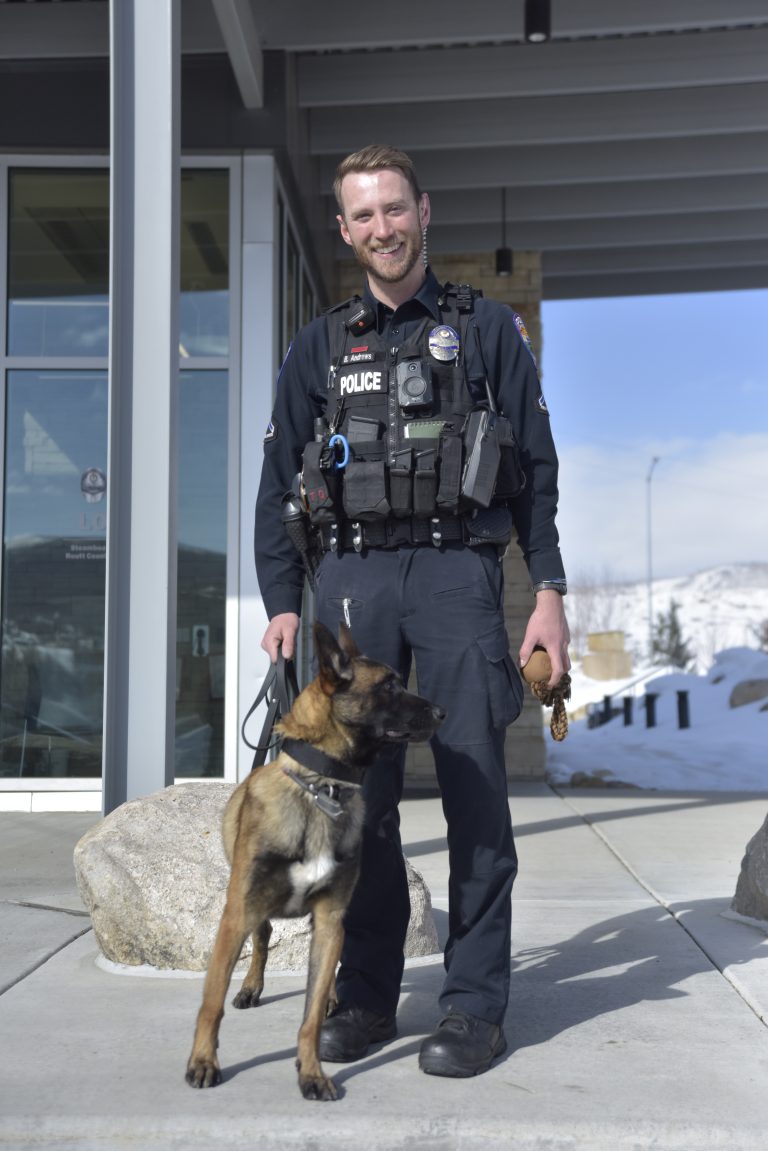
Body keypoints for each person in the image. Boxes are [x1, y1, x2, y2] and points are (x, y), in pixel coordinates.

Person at [254, 145, 570, 1078]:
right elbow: (279, 487)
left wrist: (547, 590)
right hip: (351, 586)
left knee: (475, 789)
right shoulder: (316, 347)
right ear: (345, 231)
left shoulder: (487, 332)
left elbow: (539, 473)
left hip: (456, 575)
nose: (383, 228)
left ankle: (474, 1006)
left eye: (396, 208)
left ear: (423, 212)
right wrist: (281, 603)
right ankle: (368, 993)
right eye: (364, 216)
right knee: (363, 807)